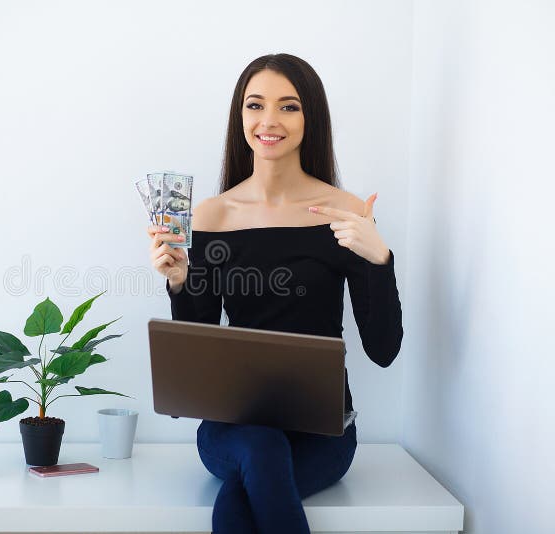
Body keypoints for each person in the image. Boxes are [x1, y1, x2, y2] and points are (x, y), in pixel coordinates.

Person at [146, 54, 403, 534]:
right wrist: (180, 283)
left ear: (311, 119)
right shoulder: (212, 216)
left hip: (323, 435)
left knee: (240, 498)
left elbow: (384, 351)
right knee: (261, 448)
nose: (268, 121)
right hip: (233, 432)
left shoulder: (344, 212)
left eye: (288, 107)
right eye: (255, 105)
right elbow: (197, 346)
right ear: (239, 116)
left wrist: (379, 262)